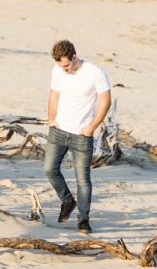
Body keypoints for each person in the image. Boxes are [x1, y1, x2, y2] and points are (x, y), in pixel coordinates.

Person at [44, 39, 111, 234]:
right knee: (49, 169)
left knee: (83, 179)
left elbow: (105, 100)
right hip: (58, 131)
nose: (63, 69)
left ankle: (83, 220)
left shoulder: (94, 72)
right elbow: (54, 94)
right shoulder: (57, 70)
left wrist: (92, 127)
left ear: (74, 56)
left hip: (82, 135)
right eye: (60, 65)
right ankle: (67, 200)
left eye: (66, 65)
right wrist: (50, 119)